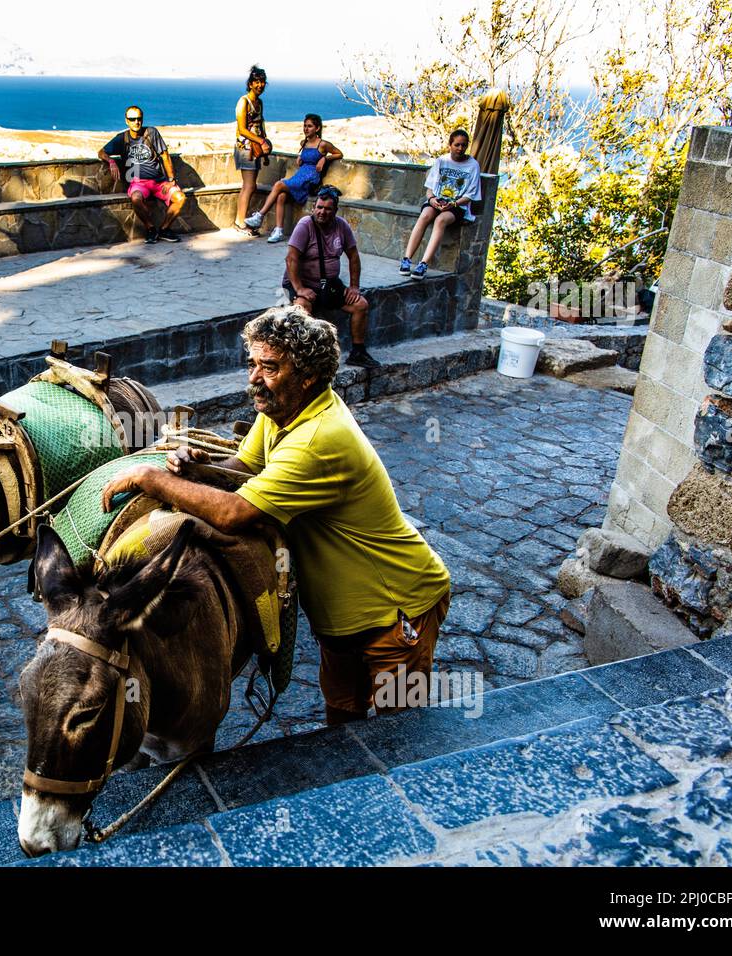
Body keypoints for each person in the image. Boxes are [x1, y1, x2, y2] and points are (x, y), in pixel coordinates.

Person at [99, 308, 451, 725]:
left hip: (395, 612)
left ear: (308, 376)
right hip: (340, 624)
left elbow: (234, 513)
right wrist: (197, 469)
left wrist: (151, 479)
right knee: (342, 722)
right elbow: (245, 467)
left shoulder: (319, 439)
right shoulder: (284, 412)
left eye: (270, 367)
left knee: (398, 735)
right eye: (252, 363)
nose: (254, 378)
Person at [282, 187, 378, 368]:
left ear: (335, 211)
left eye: (327, 209)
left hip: (329, 285)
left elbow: (354, 256)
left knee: (361, 304)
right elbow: (291, 258)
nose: (322, 212)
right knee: (302, 307)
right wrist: (300, 288)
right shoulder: (305, 225)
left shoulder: (341, 226)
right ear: (313, 208)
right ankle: (305, 358)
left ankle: (358, 352)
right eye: (319, 207)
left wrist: (354, 287)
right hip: (303, 283)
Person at [244, 114, 342, 243]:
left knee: (279, 184)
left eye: (310, 126)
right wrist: (301, 158)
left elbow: (339, 153)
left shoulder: (323, 144)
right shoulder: (304, 143)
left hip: (310, 179)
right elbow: (306, 158)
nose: (306, 129)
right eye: (305, 126)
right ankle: (279, 231)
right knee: (281, 196)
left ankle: (260, 216)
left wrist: (324, 158)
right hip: (300, 176)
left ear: (317, 128)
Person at [98, 105, 187, 244]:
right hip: (138, 183)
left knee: (180, 198)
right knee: (135, 199)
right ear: (126, 121)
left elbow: (165, 156)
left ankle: (164, 229)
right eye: (132, 119)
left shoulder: (151, 133)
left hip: (159, 182)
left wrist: (171, 180)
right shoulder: (122, 139)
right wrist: (111, 161)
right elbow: (101, 152)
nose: (136, 122)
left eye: (139, 119)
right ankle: (150, 229)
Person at [400, 129, 481, 280]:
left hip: (457, 205)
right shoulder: (441, 161)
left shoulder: (473, 165)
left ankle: (423, 264)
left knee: (441, 220)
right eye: (457, 145)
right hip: (437, 200)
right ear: (450, 144)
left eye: (463, 145)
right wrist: (431, 200)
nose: (460, 148)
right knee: (425, 215)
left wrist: (453, 204)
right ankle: (406, 259)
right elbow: (430, 188)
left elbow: (470, 195)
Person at [231, 65, 271, 236]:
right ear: (250, 83)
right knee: (249, 186)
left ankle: (240, 220)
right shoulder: (243, 102)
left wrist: (265, 149)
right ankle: (240, 222)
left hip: (255, 149)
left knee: (250, 186)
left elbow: (259, 125)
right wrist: (261, 141)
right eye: (257, 82)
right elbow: (242, 129)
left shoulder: (259, 102)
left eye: (262, 82)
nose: (260, 85)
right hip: (245, 148)